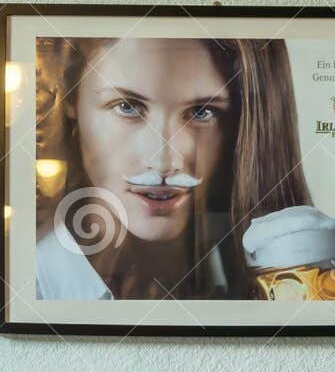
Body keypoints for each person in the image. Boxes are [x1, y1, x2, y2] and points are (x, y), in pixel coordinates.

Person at [34, 34, 310, 301]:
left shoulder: (282, 282)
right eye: (128, 107)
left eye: (202, 112)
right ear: (70, 100)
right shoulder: (27, 286)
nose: (164, 163)